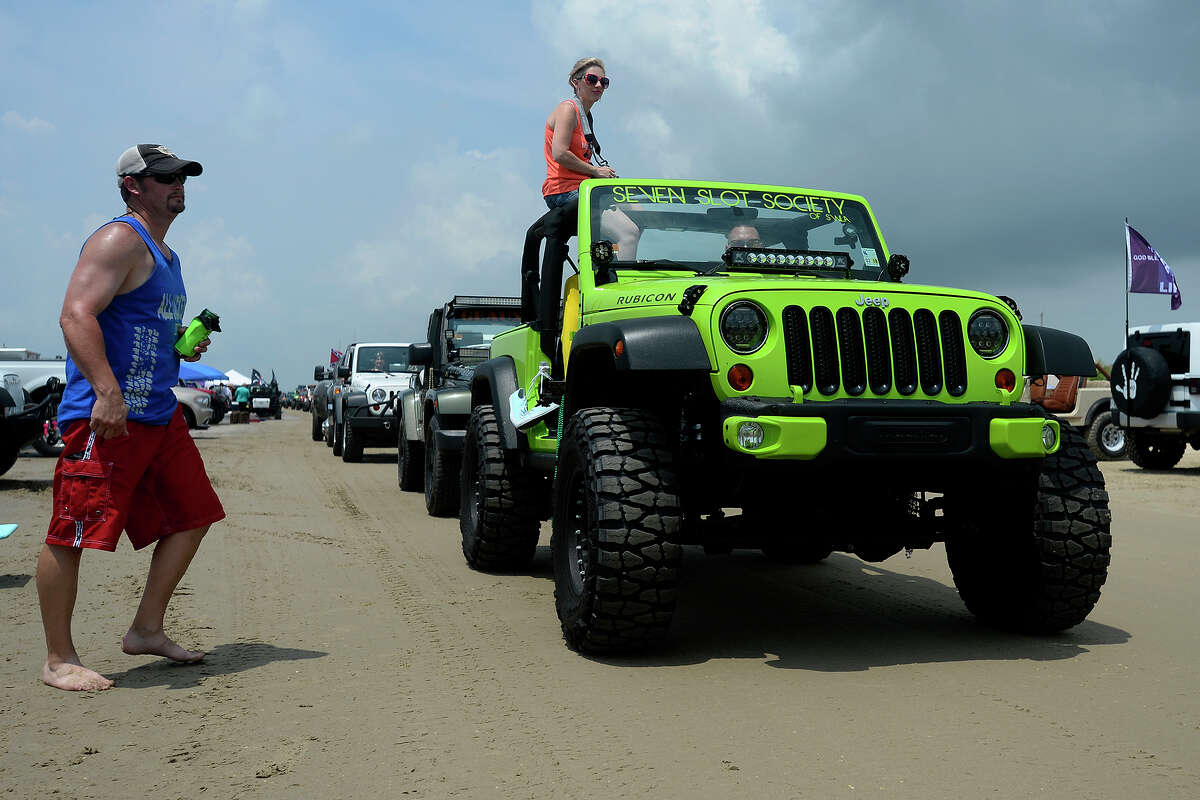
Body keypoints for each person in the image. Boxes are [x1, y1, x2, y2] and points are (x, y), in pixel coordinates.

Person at [36, 144, 226, 692]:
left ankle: (146, 628)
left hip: (158, 413)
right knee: (71, 531)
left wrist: (180, 345)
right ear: (132, 187)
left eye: (182, 176)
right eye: (164, 177)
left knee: (194, 513)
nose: (178, 185)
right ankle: (57, 658)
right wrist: (106, 391)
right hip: (107, 416)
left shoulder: (167, 255)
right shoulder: (118, 238)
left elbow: (140, 326)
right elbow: (76, 314)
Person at [541, 57, 640, 259]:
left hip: (584, 187)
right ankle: (619, 287)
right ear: (575, 82)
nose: (598, 85)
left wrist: (600, 176)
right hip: (563, 191)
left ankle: (606, 261)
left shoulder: (586, 116)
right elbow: (559, 153)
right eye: (591, 79)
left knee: (639, 211)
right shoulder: (568, 109)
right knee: (628, 233)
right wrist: (595, 171)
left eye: (603, 82)